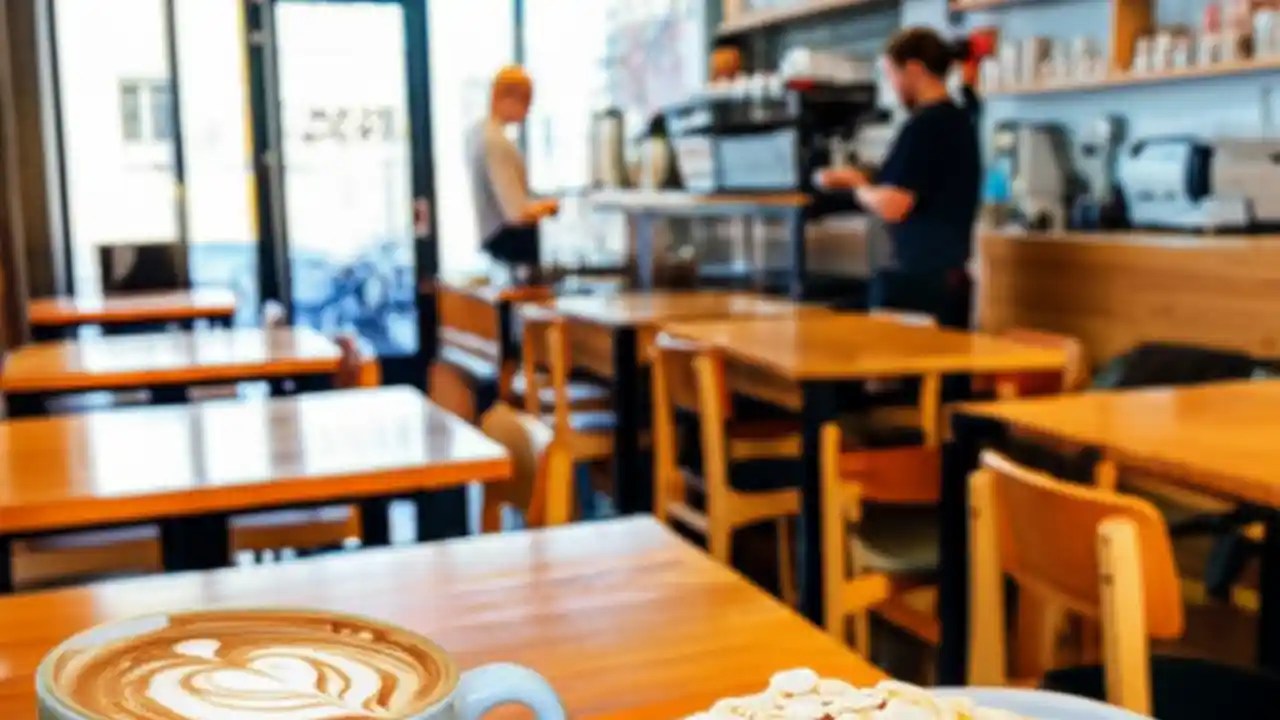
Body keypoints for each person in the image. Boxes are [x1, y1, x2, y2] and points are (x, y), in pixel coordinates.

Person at [818, 27, 981, 329]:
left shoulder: (924, 126)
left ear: (914, 69)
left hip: (921, 282)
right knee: (945, 373)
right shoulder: (957, 119)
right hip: (950, 279)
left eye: (892, 74)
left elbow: (895, 205)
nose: (892, 86)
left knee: (836, 334)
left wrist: (858, 187)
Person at [466, 65, 559, 281]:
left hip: (494, 245)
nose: (527, 111)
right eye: (526, 102)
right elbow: (516, 213)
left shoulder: (476, 134)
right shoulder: (496, 142)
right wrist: (549, 206)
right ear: (506, 97)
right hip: (511, 249)